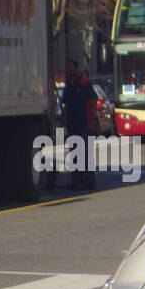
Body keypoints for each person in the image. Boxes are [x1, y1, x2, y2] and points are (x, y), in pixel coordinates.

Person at [59, 59, 96, 190]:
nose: (69, 69)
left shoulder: (84, 83)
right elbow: (65, 104)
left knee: (85, 153)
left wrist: (91, 121)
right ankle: (76, 180)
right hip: (72, 123)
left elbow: (92, 101)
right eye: (67, 67)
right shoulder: (68, 84)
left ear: (76, 68)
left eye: (71, 67)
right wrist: (63, 120)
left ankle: (89, 179)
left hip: (83, 123)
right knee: (74, 152)